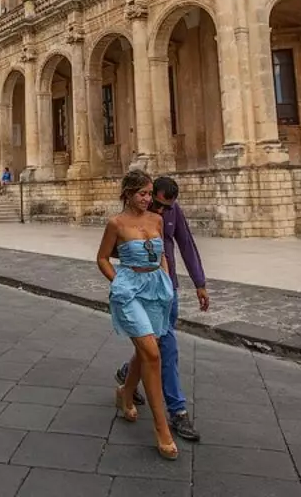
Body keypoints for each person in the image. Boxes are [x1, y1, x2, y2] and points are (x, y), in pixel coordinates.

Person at [114, 175, 209, 442]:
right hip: (139, 292)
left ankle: (127, 373)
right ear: (146, 194)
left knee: (155, 344)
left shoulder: (170, 211)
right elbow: (112, 253)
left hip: (168, 288)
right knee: (166, 347)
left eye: (168, 207)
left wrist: (199, 283)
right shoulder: (128, 218)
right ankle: (177, 411)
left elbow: (185, 243)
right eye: (157, 203)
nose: (163, 210)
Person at [96, 170, 178, 461]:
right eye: (142, 193)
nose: (147, 198)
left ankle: (125, 392)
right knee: (152, 354)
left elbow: (163, 254)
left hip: (156, 290)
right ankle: (162, 428)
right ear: (127, 194)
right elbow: (102, 258)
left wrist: (166, 281)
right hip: (129, 291)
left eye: (149, 193)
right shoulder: (116, 224)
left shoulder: (156, 220)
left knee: (145, 350)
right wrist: (117, 282)